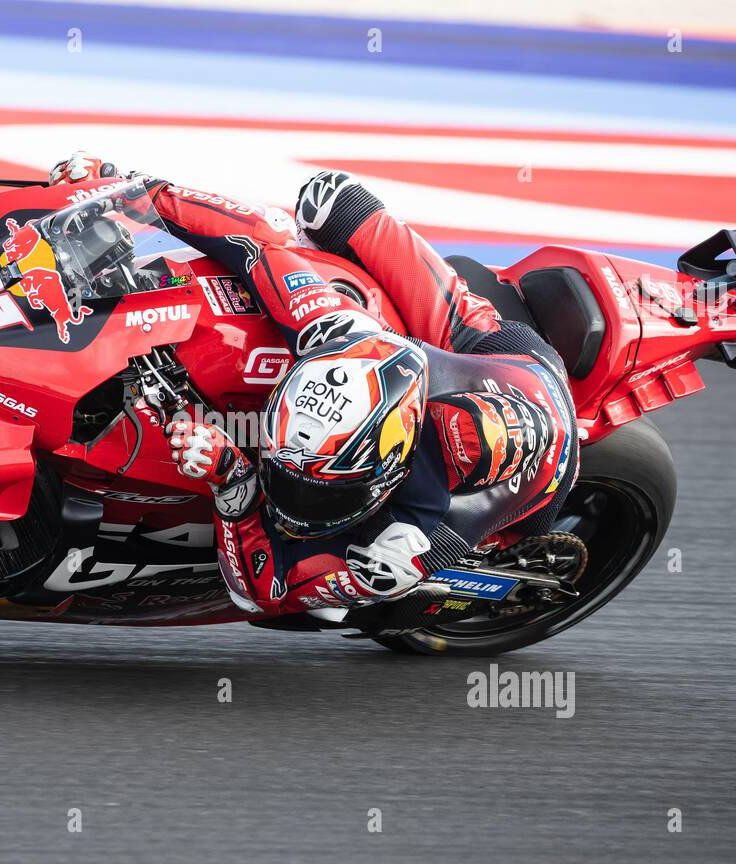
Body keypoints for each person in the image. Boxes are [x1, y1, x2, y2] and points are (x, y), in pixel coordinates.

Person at [47, 153, 579, 616]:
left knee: (332, 605)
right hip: (472, 365)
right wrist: (130, 190)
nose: (291, 494)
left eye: (315, 486)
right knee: (330, 200)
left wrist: (234, 482)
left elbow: (263, 591)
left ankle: (464, 577)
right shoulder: (337, 329)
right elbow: (253, 241)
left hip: (528, 439)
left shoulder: (408, 542)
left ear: (384, 476)